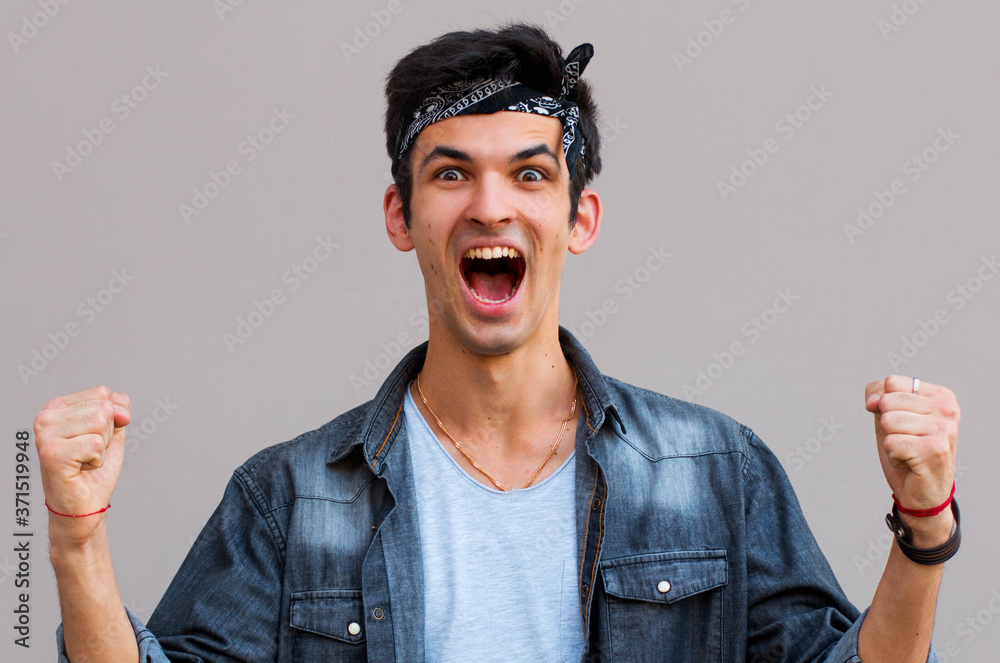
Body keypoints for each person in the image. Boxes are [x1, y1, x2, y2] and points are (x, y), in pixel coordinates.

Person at [36, 22, 961, 663]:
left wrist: (925, 527)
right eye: (451, 172)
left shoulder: (714, 471)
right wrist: (76, 540)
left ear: (579, 216)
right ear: (401, 216)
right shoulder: (291, 497)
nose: (491, 204)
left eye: (529, 171)